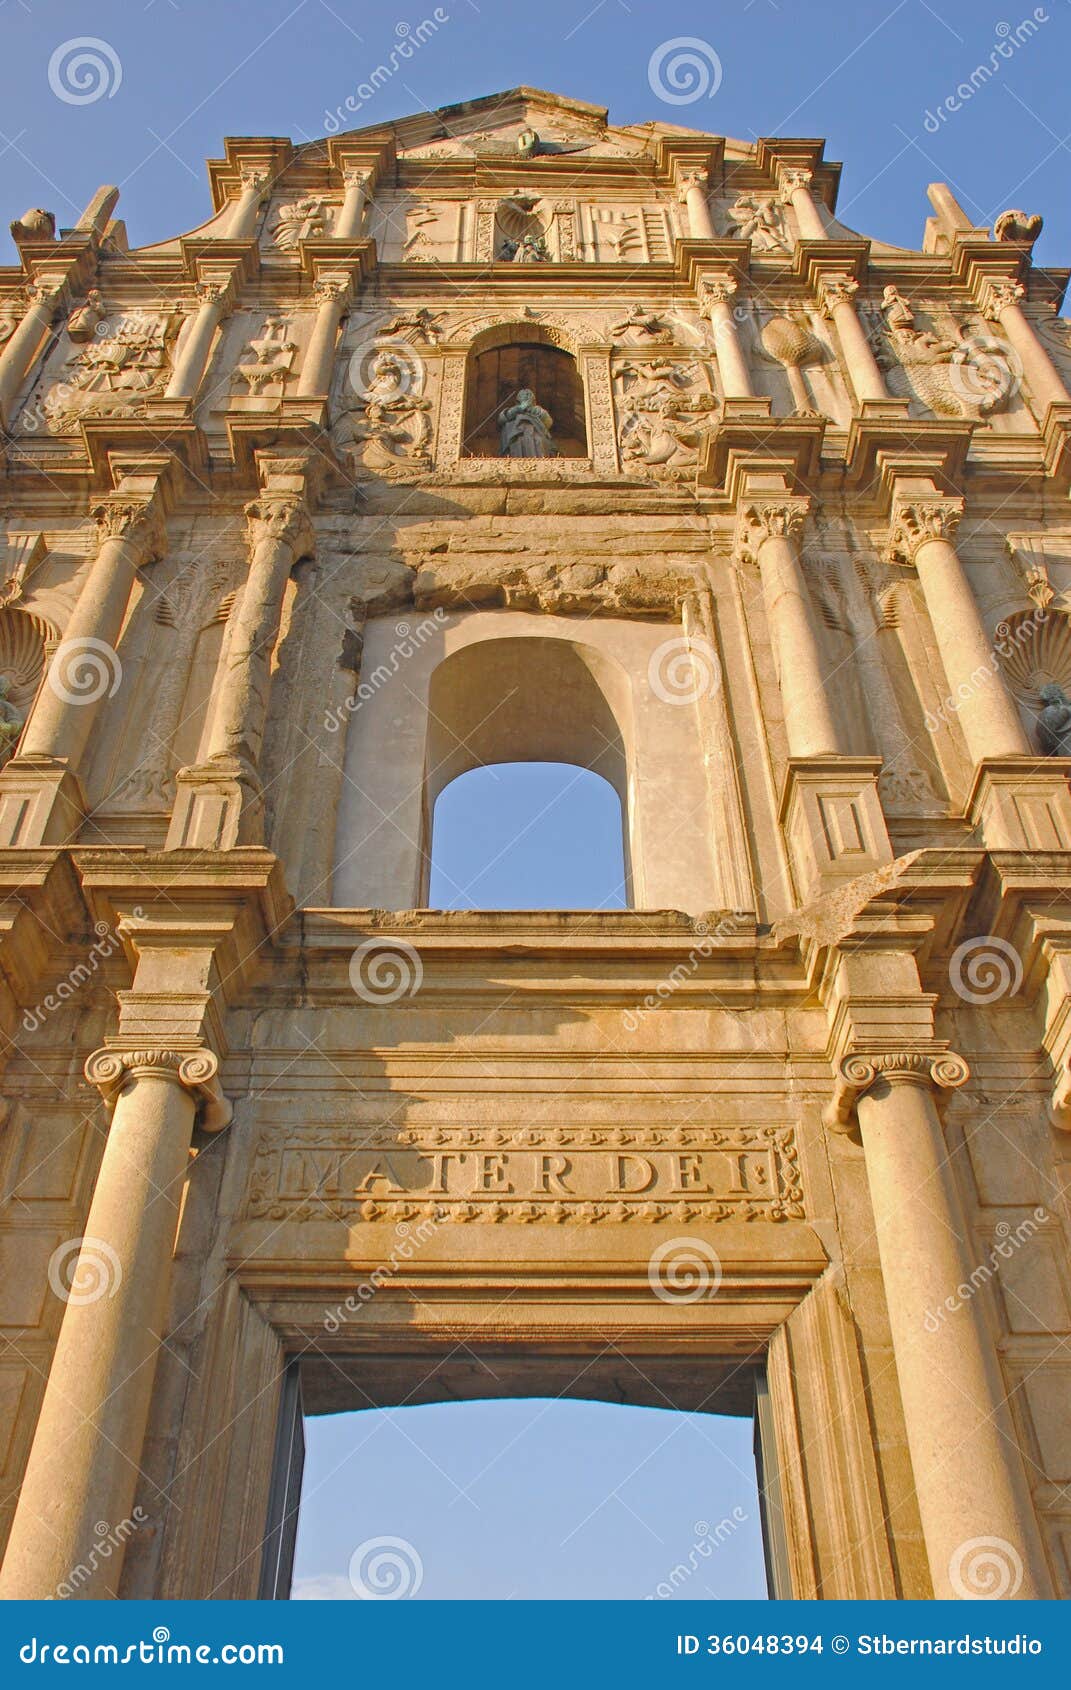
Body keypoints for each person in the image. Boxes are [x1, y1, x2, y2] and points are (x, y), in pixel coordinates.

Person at [498, 389, 555, 458]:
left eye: (528, 396)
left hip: (535, 436)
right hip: (516, 437)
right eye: (524, 396)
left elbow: (549, 422)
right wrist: (518, 409)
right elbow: (501, 419)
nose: (526, 397)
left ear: (533, 401)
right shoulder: (513, 411)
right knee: (515, 443)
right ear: (518, 401)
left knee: (540, 442)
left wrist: (533, 410)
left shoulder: (538, 410)